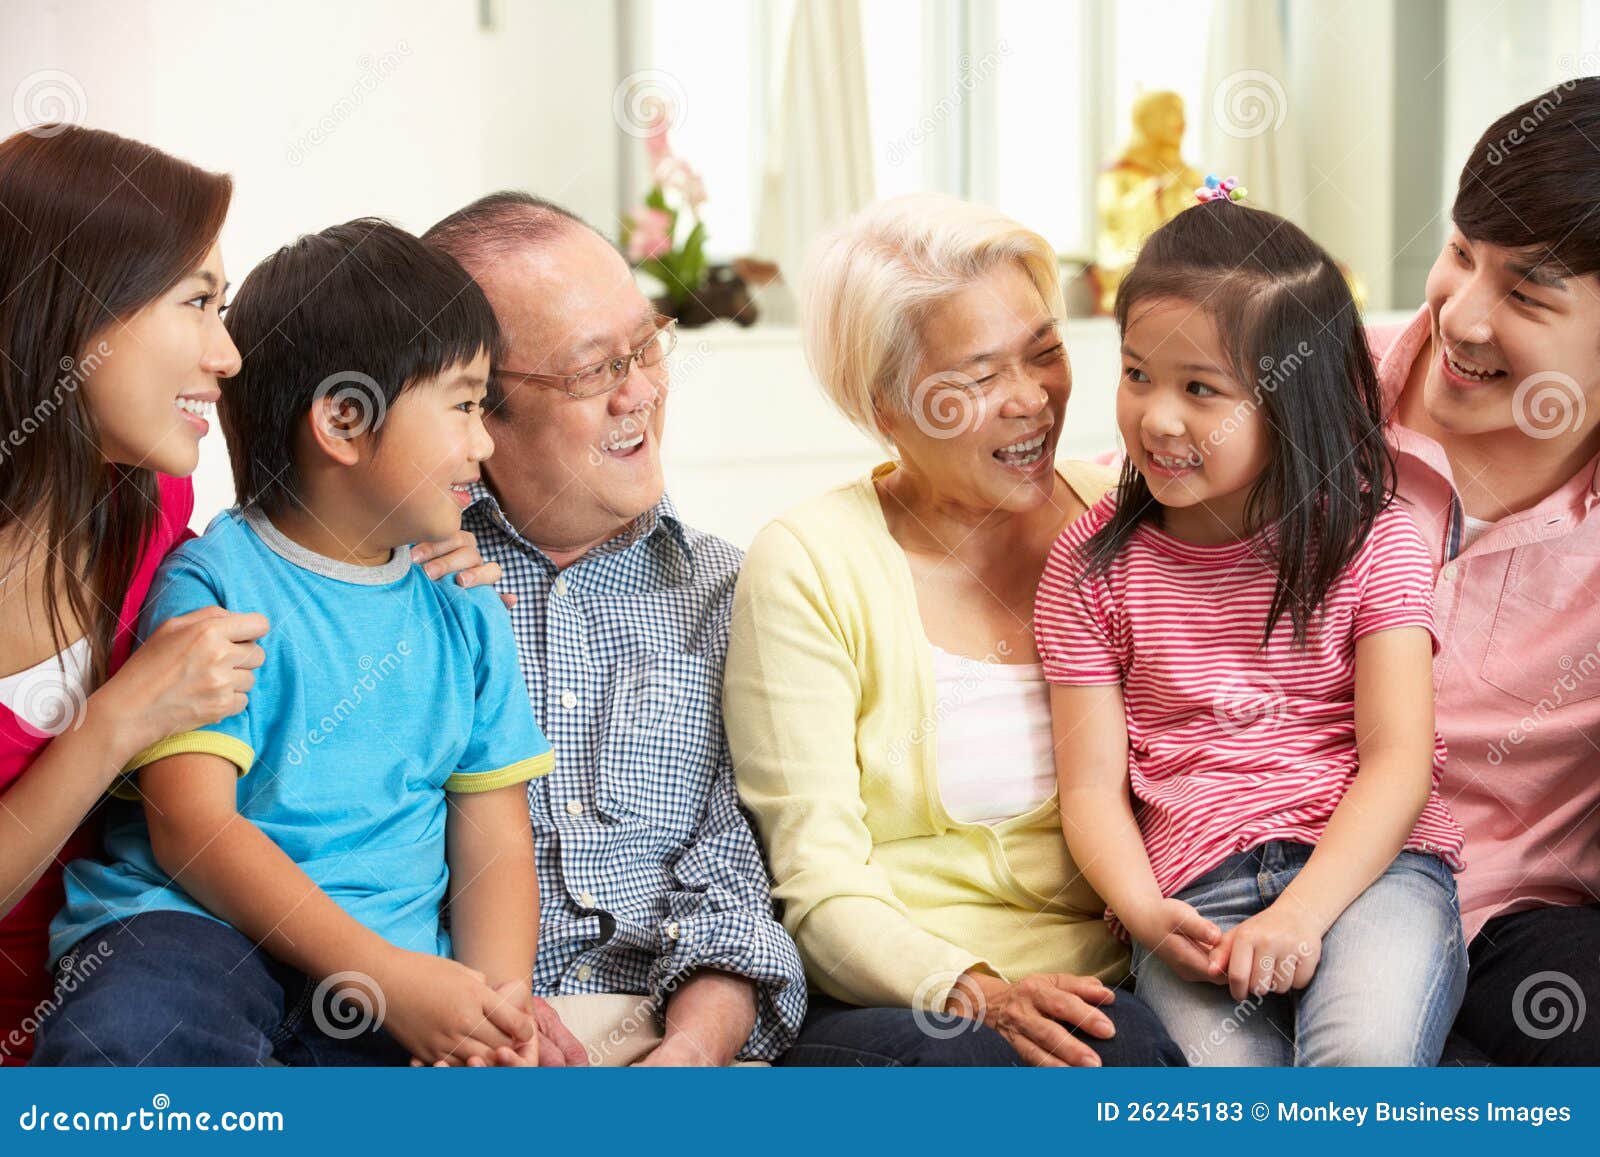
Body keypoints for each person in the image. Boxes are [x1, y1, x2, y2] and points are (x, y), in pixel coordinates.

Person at [0, 126, 503, 1065]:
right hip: (116, 991)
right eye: (197, 303)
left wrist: (420, 541)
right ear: (75, 312)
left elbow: (311, 537)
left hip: (169, 990)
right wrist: (114, 719)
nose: (228, 355)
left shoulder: (148, 506)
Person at [725, 194, 1184, 1066]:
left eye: (1043, 351)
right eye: (977, 378)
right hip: (904, 998)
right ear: (884, 406)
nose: (1030, 401)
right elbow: (818, 882)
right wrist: (981, 990)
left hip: (1121, 983)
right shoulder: (810, 563)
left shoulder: (1130, 520)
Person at [1043, 198, 1466, 1066]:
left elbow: (1399, 760)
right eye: (1136, 374)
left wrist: (1304, 911)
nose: (1158, 419)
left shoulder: (1374, 538)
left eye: (1201, 389)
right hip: (1193, 897)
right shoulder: (1089, 567)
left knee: (1360, 1067)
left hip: (1368, 875)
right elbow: (1091, 787)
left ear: (1290, 403)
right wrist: (1145, 913)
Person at [422, 193, 806, 1066]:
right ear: (476, 408)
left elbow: (736, 882)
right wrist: (483, 1018)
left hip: (673, 1033)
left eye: (646, 346)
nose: (642, 391)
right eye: (596, 370)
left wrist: (691, 1054)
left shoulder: (729, 591)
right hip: (455, 1034)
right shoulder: (405, 587)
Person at [1377, 79, 1600, 1066]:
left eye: (1523, 294)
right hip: (1268, 888)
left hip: (1513, 926)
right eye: (1461, 253)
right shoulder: (1295, 404)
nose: (1461, 317)